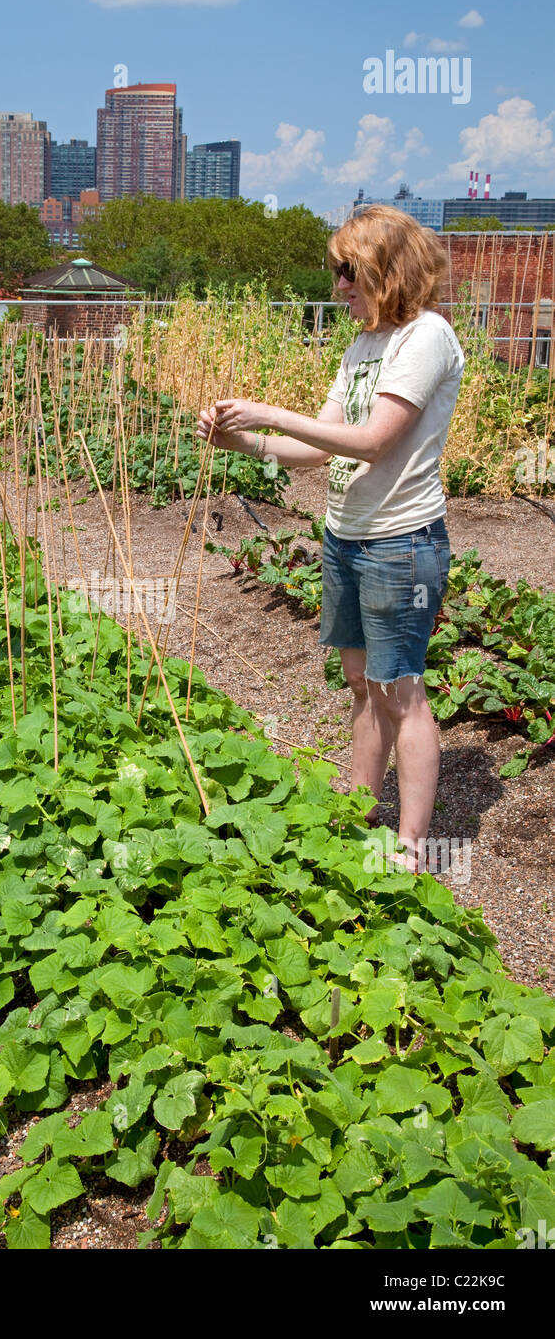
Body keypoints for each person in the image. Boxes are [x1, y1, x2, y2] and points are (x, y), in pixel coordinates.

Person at [196, 205, 464, 874]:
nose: (339, 287)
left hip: (401, 542)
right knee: (359, 681)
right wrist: (244, 440)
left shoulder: (425, 337)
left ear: (385, 267)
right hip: (347, 536)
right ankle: (358, 804)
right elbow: (318, 446)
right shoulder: (363, 344)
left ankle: (408, 847)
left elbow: (374, 441)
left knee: (401, 689)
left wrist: (268, 410)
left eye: (348, 272)